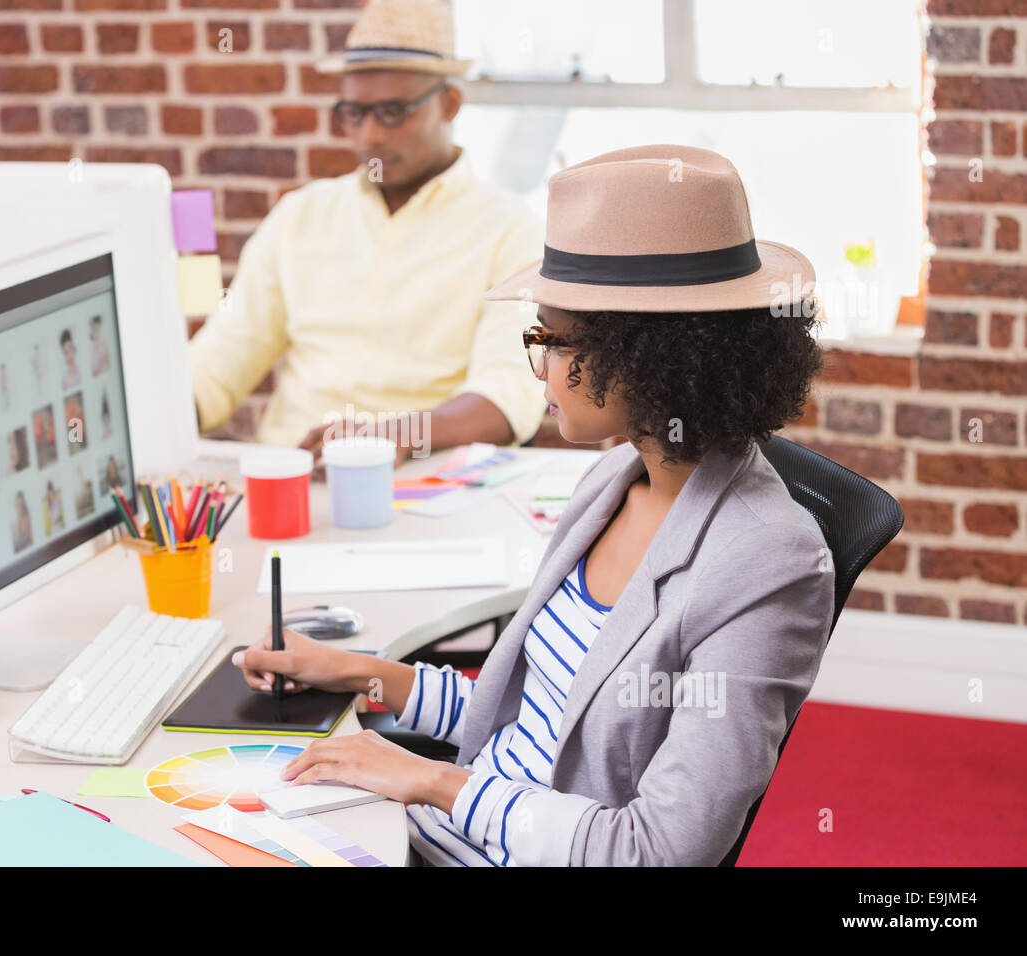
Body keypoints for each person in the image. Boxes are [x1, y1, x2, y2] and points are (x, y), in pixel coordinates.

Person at [232, 145, 836, 866]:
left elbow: (661, 850)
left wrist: (429, 781)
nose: (539, 365)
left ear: (647, 353)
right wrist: (360, 674)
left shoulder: (768, 562)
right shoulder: (611, 482)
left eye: (552, 339)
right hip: (436, 835)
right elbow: (524, 720)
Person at [188, 0, 545, 465]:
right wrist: (142, 415)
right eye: (353, 113)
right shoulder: (301, 216)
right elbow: (218, 364)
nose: (369, 136)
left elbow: (509, 397)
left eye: (393, 112)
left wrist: (393, 435)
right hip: (294, 477)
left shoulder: (509, 229)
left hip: (427, 489)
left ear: (449, 104)